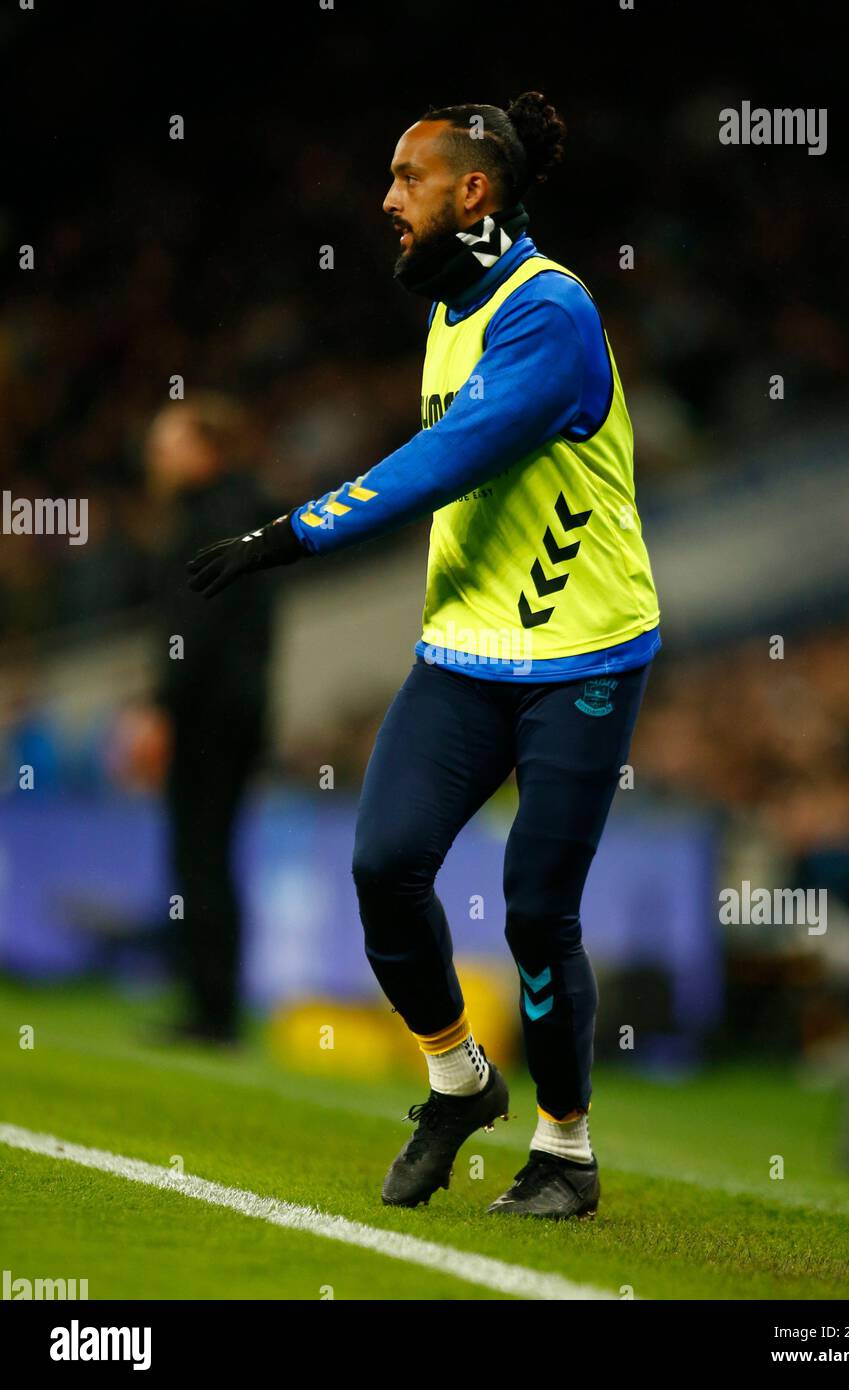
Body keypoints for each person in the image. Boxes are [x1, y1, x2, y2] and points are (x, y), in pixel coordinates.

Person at [187, 93, 661, 1217]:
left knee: (537, 909)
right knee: (381, 863)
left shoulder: (549, 311)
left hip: (579, 654)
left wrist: (294, 528)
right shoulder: (453, 309)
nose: (385, 200)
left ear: (472, 192)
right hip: (461, 652)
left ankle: (564, 1151)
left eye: (405, 178)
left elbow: (452, 454)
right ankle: (457, 1077)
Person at [145, 395, 278, 1044]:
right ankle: (212, 1004)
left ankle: (211, 1011)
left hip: (209, 715)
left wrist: (161, 707)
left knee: (200, 855)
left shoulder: (215, 519)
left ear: (207, 450)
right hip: (235, 712)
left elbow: (196, 629)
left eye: (169, 442)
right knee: (211, 855)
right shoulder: (247, 513)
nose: (156, 455)